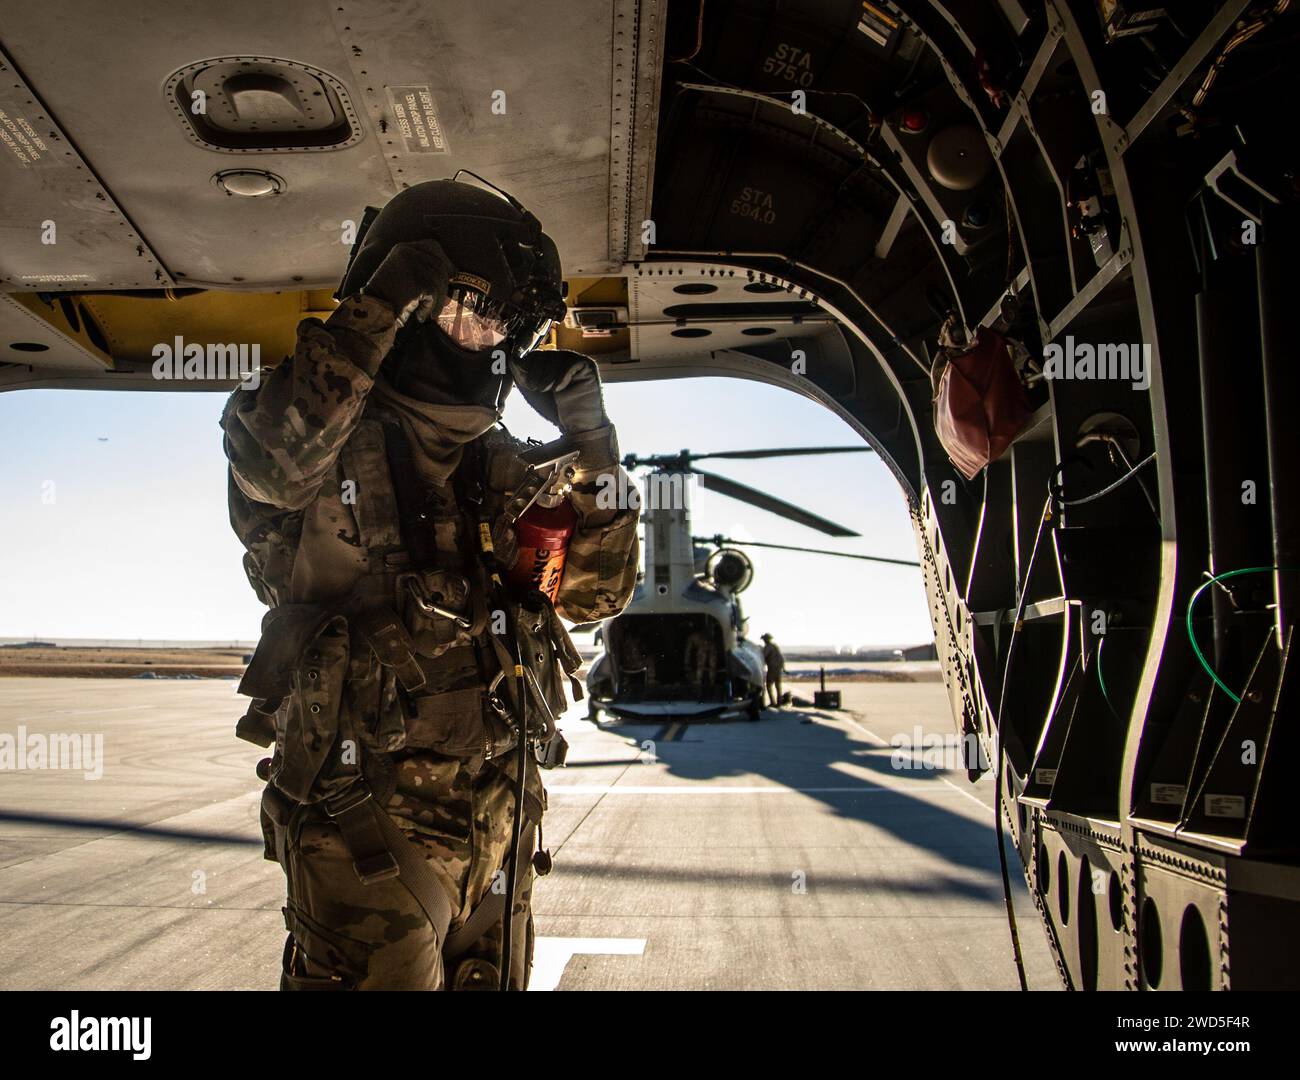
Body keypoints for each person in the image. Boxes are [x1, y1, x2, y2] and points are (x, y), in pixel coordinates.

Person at [222, 178, 639, 991]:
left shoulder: (504, 463)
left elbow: (595, 596)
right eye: (471, 311)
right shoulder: (305, 437)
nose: (490, 340)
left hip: (500, 831)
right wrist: (370, 313)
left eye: (505, 326)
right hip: (368, 835)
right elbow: (275, 462)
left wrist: (595, 449)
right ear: (407, 306)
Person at [684, 625, 718, 697]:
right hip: (704, 650)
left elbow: (688, 651)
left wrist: (686, 663)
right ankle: (701, 690)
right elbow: (688, 651)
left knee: (704, 668)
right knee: (703, 668)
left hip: (705, 650)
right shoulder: (693, 637)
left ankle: (705, 689)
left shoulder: (694, 638)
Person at [761, 633, 784, 708]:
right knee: (778, 686)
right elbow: (781, 658)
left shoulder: (768, 647)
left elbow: (763, 656)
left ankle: (773, 702)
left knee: (769, 685)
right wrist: (783, 667)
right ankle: (779, 702)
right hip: (778, 668)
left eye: (764, 639)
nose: (764, 640)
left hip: (772, 668)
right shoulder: (775, 646)